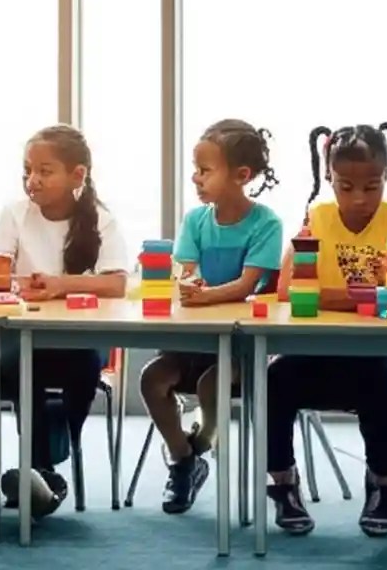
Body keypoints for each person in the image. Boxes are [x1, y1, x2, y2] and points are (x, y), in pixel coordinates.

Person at [267, 123, 387, 538]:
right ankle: (283, 483)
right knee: (274, 377)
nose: (359, 199)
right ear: (329, 179)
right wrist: (374, 294)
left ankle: (383, 483)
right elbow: (288, 292)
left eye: (372, 186)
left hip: (383, 355)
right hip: (320, 353)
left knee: (380, 380)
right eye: (346, 187)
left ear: (386, 179)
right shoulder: (317, 217)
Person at [140, 119, 282, 514]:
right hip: (192, 339)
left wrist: (202, 298)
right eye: (195, 168)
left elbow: (247, 285)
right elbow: (187, 271)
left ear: (241, 175)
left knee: (211, 382)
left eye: (205, 170)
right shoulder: (195, 221)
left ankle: (205, 439)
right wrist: (193, 288)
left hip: (239, 347)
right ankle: (185, 459)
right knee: (151, 379)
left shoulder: (266, 222)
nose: (195, 178)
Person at [0, 124, 129, 517]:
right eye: (27, 170)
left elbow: (117, 283)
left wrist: (57, 286)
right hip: (24, 333)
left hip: (79, 336)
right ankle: (42, 472)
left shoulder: (101, 219)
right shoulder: (15, 213)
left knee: (83, 366)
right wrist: (25, 283)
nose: (32, 180)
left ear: (77, 176)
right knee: (21, 365)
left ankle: (48, 458)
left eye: (44, 171)